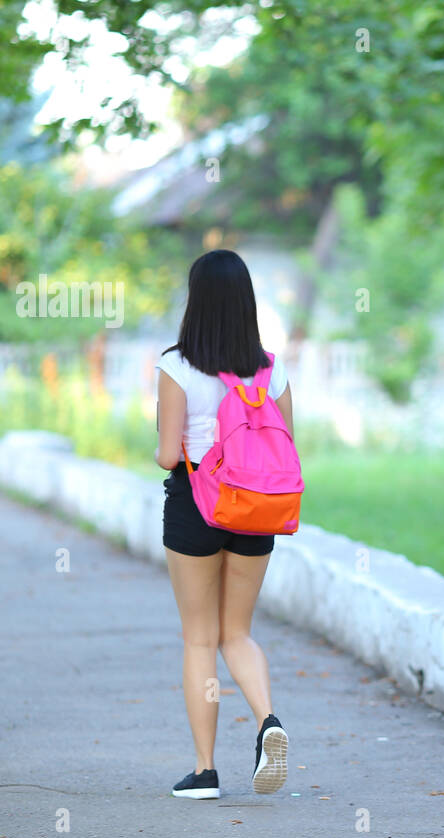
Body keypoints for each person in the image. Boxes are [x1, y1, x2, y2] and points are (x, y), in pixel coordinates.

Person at [153, 249, 293, 799]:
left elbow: (168, 455)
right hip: (256, 507)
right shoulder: (270, 367)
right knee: (237, 632)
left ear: (196, 300)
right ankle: (268, 723)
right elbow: (287, 446)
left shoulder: (175, 365)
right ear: (245, 301)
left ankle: (205, 771)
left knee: (199, 638)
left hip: (197, 505)